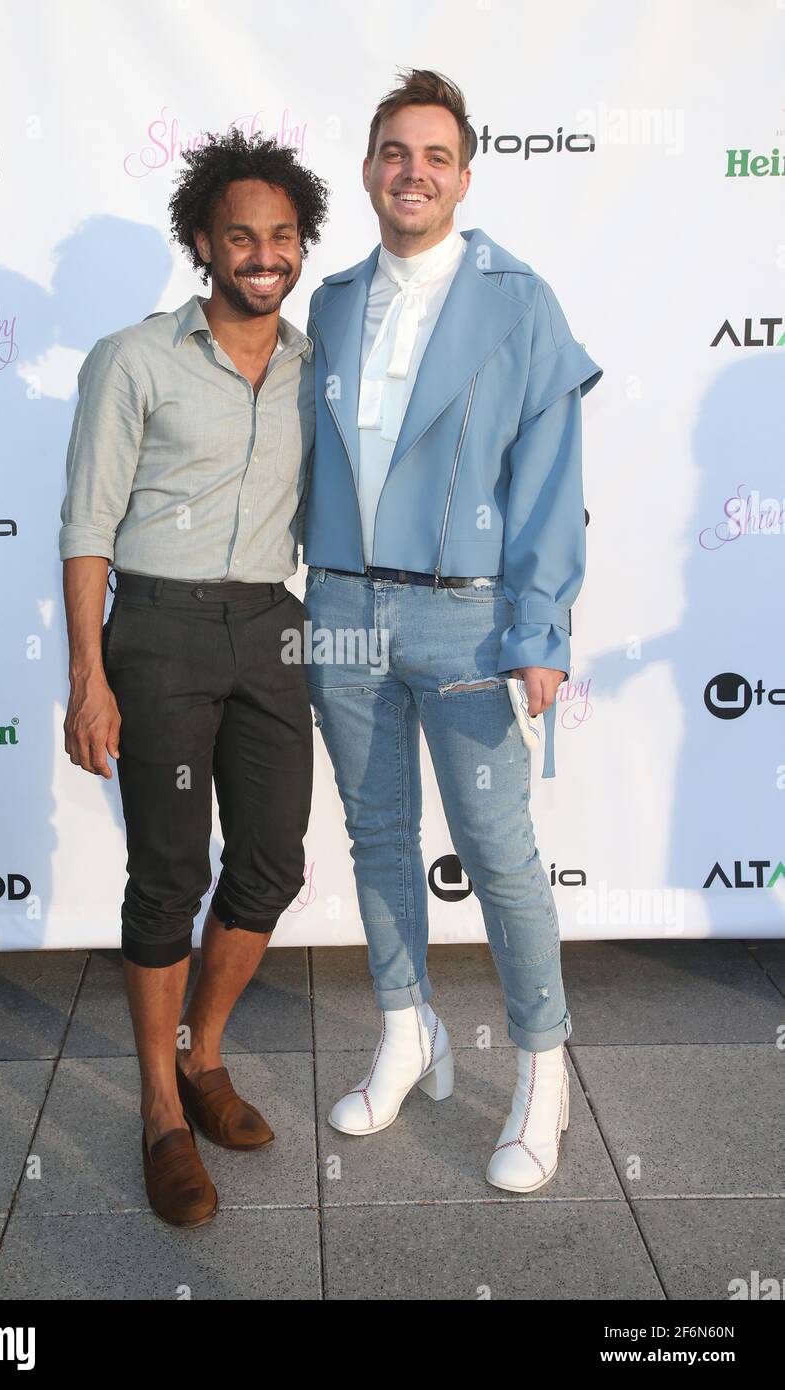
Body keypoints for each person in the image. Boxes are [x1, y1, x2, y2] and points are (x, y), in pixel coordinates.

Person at [302, 69, 602, 1191]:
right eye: (393, 151)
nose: (411, 171)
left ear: (464, 175)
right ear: (369, 167)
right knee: (375, 836)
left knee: (498, 856)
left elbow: (547, 476)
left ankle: (542, 1072)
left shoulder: (517, 300)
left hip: (469, 620)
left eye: (433, 155)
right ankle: (405, 1027)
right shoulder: (329, 301)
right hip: (339, 607)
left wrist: (539, 625)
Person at [59, 129, 328, 1227]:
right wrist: (89, 674)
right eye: (240, 236)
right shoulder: (133, 358)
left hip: (273, 627)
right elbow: (86, 523)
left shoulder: (319, 360)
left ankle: (204, 1054)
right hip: (159, 632)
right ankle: (162, 1112)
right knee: (168, 874)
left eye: (280, 235)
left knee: (268, 861)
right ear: (203, 245)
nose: (262, 253)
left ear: (300, 243)